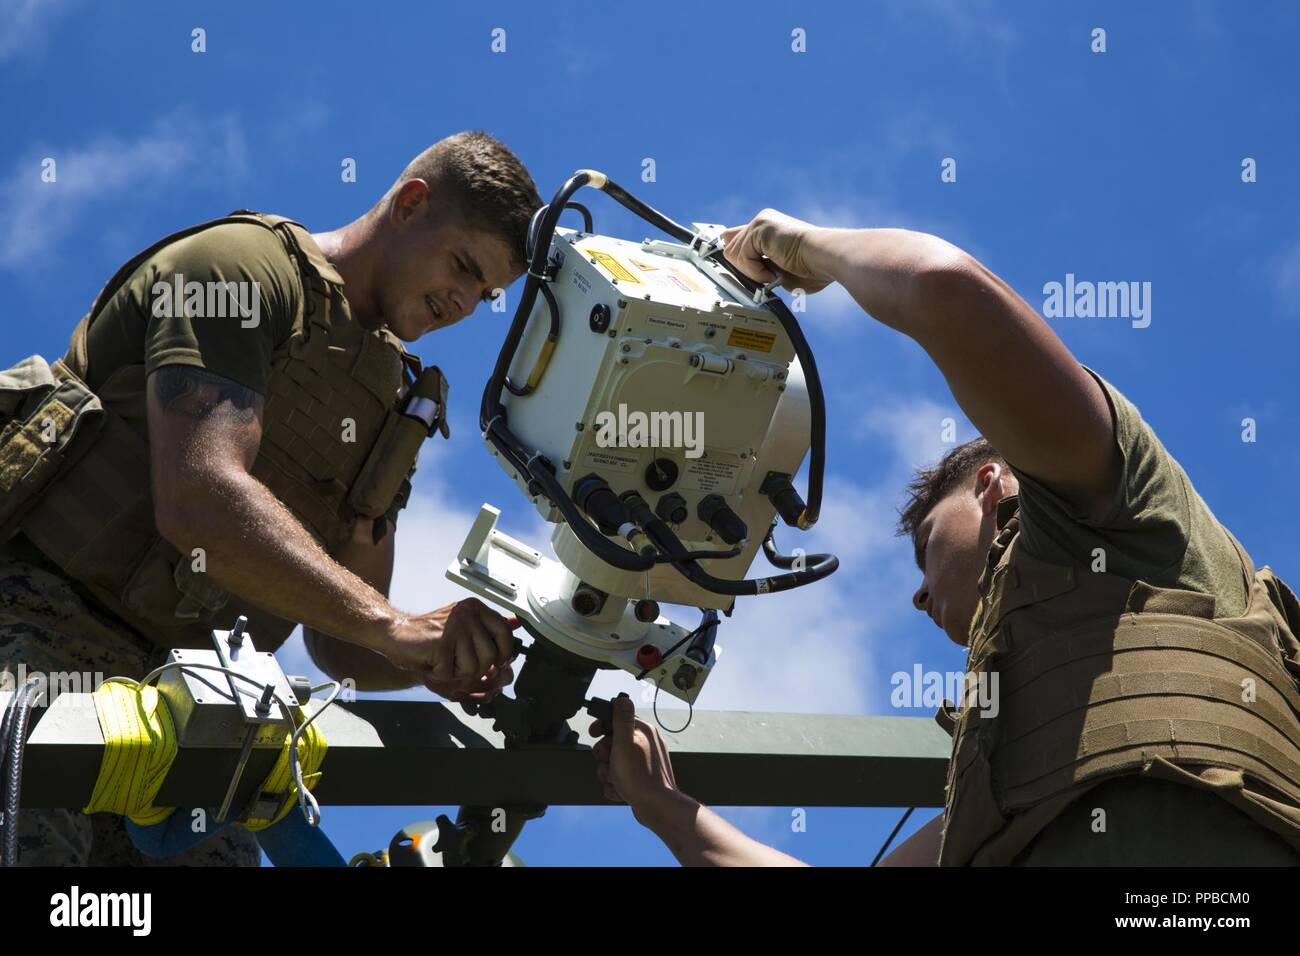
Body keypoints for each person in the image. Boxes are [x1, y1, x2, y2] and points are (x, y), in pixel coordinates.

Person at [590, 209, 1300, 866]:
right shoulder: (1008, 762)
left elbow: (945, 289)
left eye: (928, 543)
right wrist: (663, 809)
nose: (919, 593)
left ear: (994, 485)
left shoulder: (1109, 510)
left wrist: (796, 243)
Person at [0, 130, 541, 865]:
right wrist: (393, 625)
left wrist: (433, 657)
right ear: (412, 204)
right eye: (463, 267)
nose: (464, 302)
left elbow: (341, 640)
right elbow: (199, 502)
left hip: (200, 706)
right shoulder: (240, 271)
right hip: (36, 636)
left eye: (485, 294)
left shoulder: (393, 399)